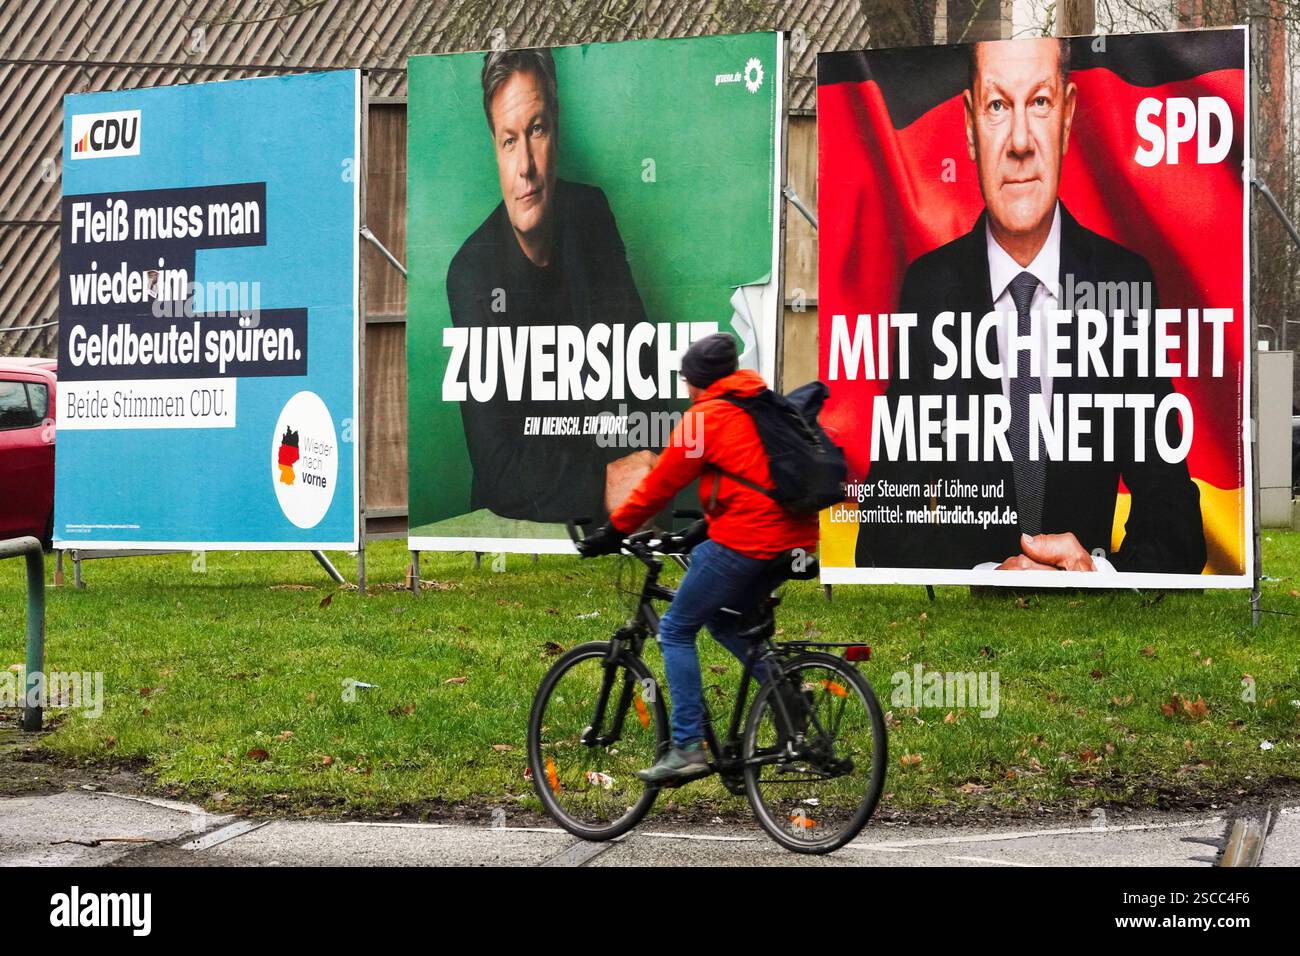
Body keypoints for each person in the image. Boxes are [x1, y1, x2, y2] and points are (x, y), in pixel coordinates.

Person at [856, 37, 1205, 575]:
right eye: (998, 106)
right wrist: (981, 573)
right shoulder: (929, 290)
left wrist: (1095, 574)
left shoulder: (1122, 282)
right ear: (971, 126)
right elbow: (884, 521)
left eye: (1039, 102)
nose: (1019, 141)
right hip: (971, 623)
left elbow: (1175, 525)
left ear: (1066, 116)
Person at [576, 333, 819, 784]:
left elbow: (660, 484)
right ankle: (787, 697)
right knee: (725, 621)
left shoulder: (705, 417)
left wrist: (613, 531)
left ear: (694, 381)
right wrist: (696, 532)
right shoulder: (760, 403)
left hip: (750, 541)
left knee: (676, 628)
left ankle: (688, 747)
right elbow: (751, 482)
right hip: (796, 541)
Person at [444, 47, 665, 523]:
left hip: (609, 512)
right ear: (495, 149)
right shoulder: (471, 272)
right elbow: (499, 470)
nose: (524, 166)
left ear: (557, 128)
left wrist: (646, 467)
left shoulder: (590, 214)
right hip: (514, 522)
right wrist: (606, 482)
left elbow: (640, 372)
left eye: (536, 130)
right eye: (507, 141)